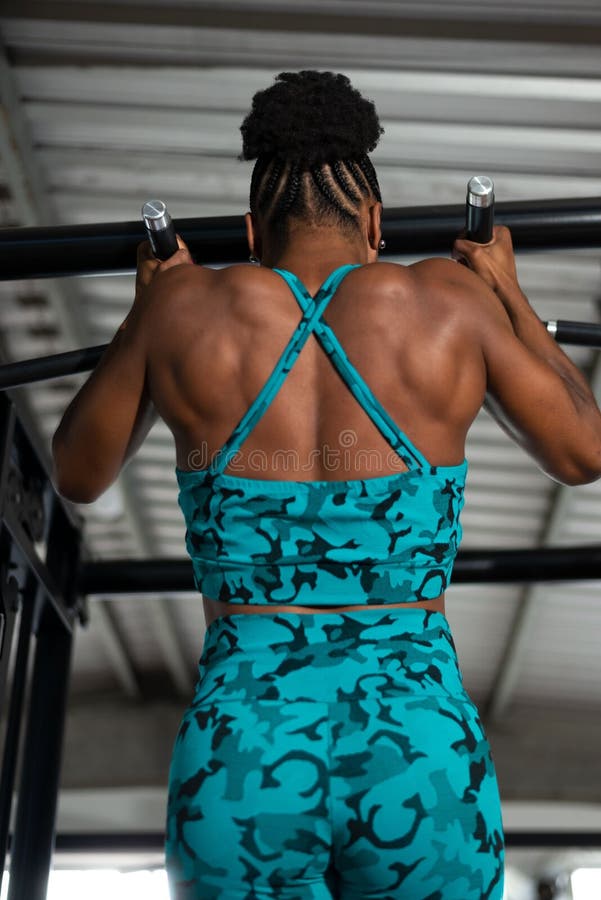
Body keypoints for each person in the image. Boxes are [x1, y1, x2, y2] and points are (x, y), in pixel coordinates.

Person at [51, 71, 601, 899]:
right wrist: (507, 293)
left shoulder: (186, 310)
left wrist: (150, 308)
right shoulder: (445, 301)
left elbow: (77, 474)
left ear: (249, 230)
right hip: (415, 743)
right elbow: (582, 451)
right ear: (375, 223)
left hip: (245, 742)